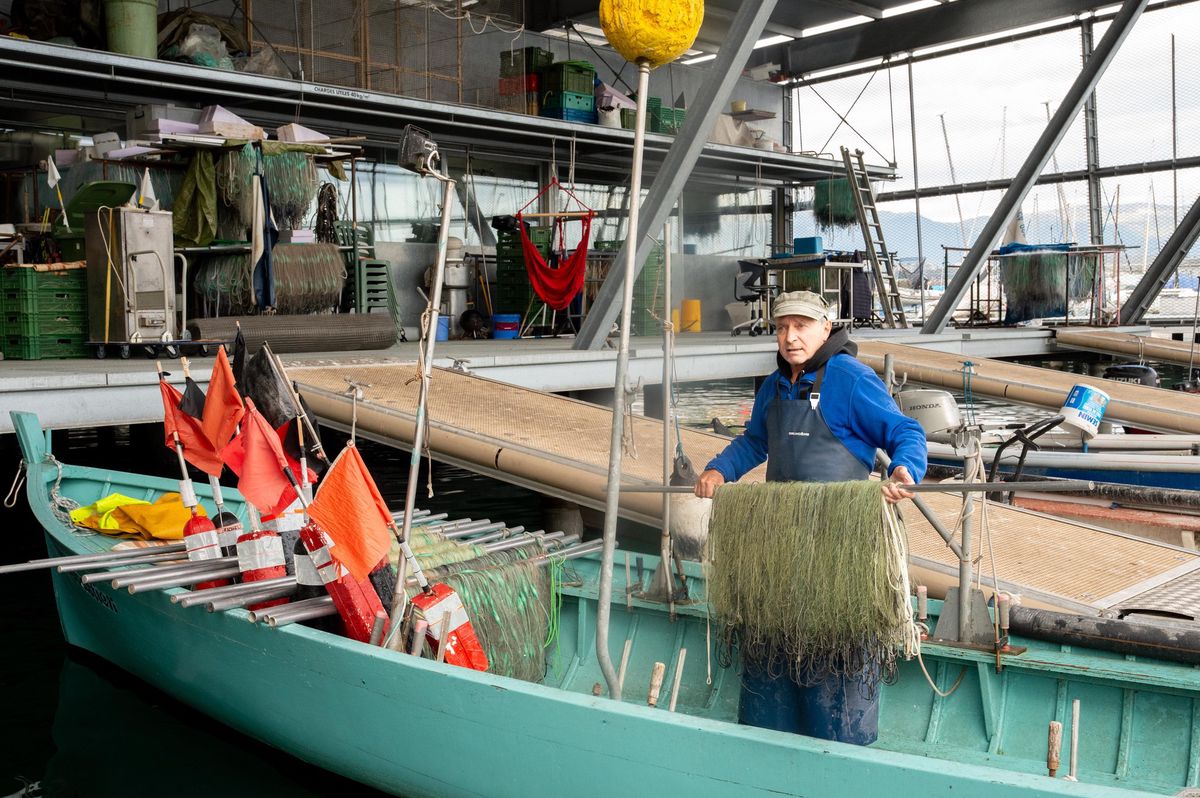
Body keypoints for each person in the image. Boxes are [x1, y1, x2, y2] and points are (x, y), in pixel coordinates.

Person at [696, 290, 928, 744]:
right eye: (782, 328)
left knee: (835, 644)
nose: (790, 337)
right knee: (775, 636)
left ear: (826, 328)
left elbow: (905, 430)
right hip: (781, 542)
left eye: (801, 326)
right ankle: (772, 734)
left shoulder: (851, 378)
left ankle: (838, 744)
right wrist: (718, 469)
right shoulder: (774, 385)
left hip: (839, 542)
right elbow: (754, 442)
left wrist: (905, 468)